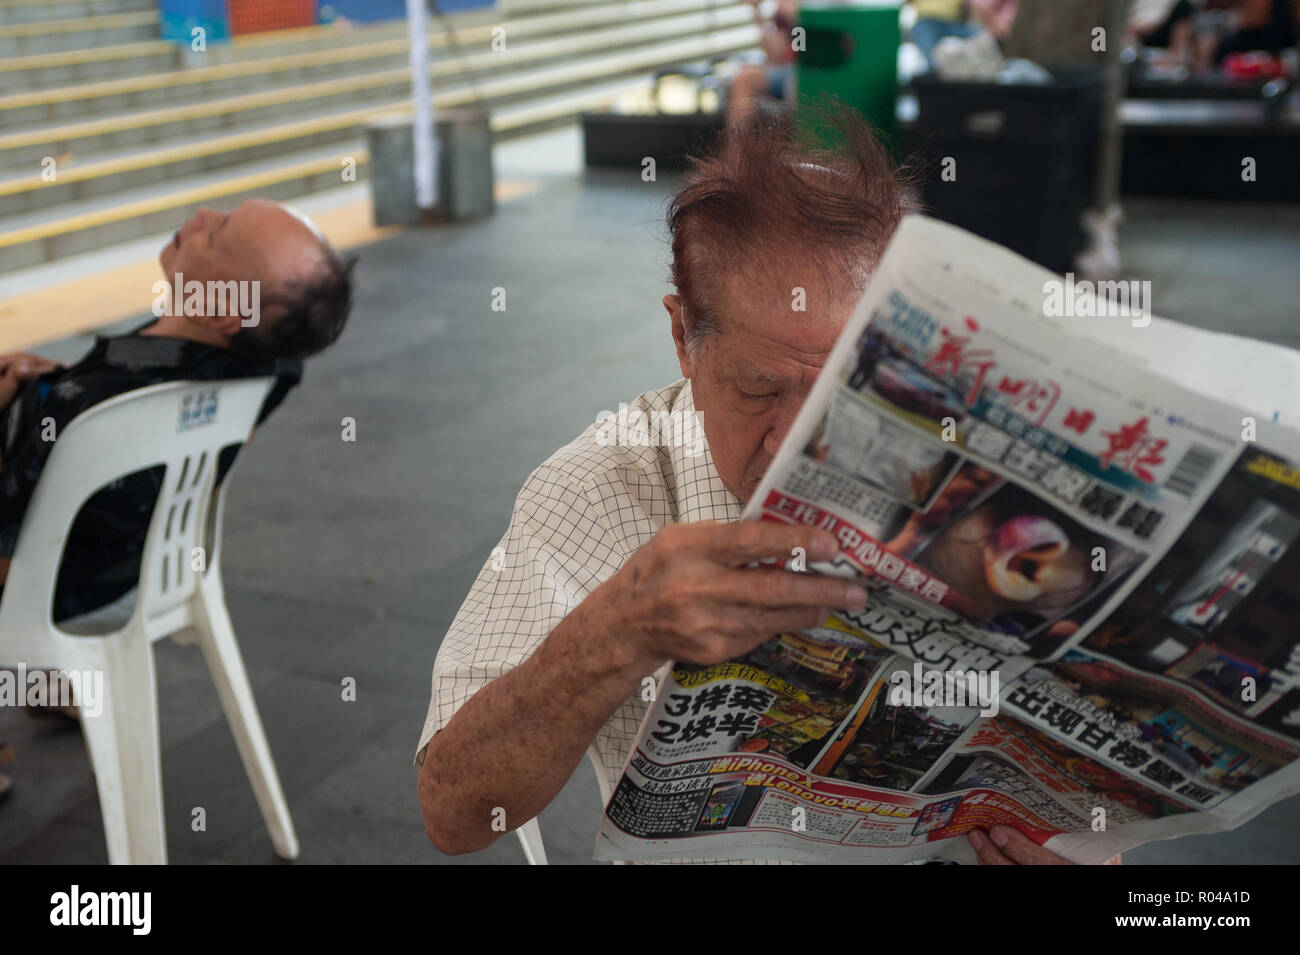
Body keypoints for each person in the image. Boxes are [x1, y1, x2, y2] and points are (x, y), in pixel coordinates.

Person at [415, 108, 1105, 865]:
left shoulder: (970, 474)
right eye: (757, 388)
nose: (794, 442)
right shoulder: (602, 486)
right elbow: (455, 812)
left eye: (841, 392)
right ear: (684, 338)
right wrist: (617, 629)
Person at [0, 198, 355, 621]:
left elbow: (8, 560)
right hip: (133, 574)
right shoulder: (274, 369)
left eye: (215, 234)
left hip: (41, 596)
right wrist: (61, 380)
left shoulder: (81, 409)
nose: (201, 215)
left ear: (218, 310)